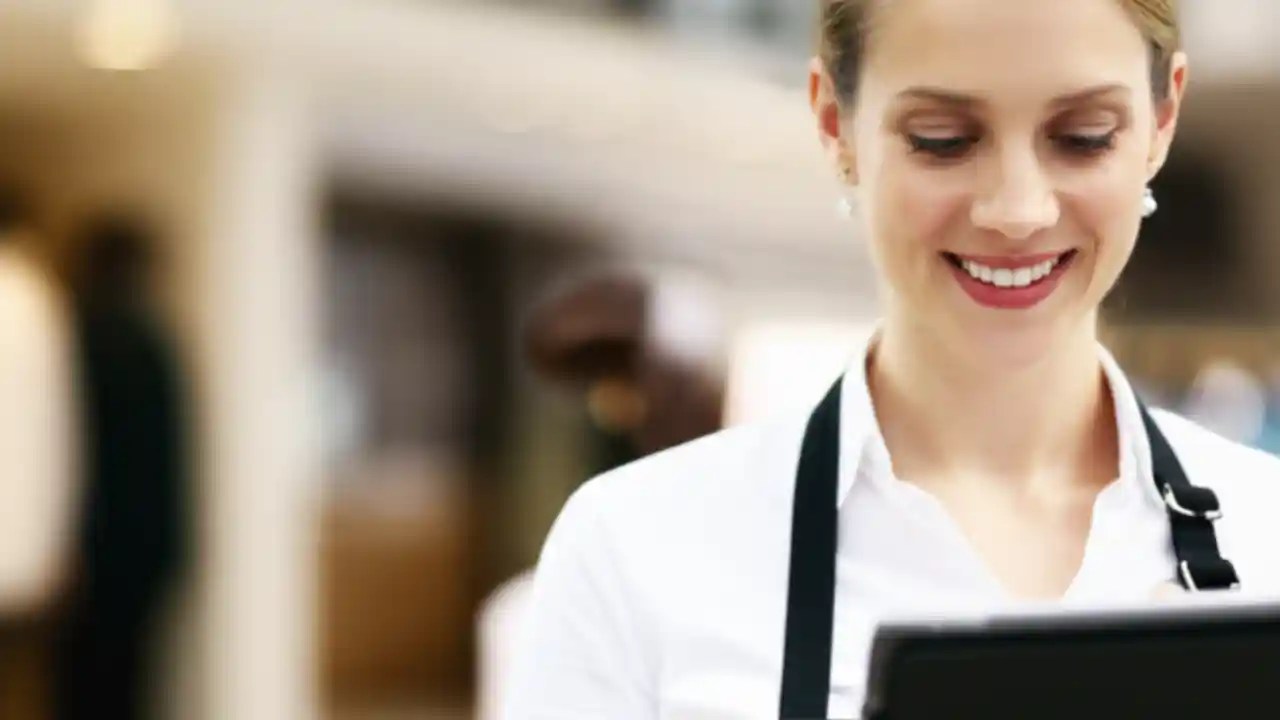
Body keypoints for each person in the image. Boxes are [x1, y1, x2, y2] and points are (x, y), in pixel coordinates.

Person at [503, 1, 1280, 718]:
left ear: (1162, 120)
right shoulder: (634, 551)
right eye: (942, 139)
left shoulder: (1268, 530)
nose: (1017, 210)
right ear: (835, 124)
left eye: (1084, 136)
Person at [55, 212, 190, 720]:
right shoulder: (155, 345)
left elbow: (74, 456)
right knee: (132, 685)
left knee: (87, 686)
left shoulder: (83, 337)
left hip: (98, 553)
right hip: (147, 553)